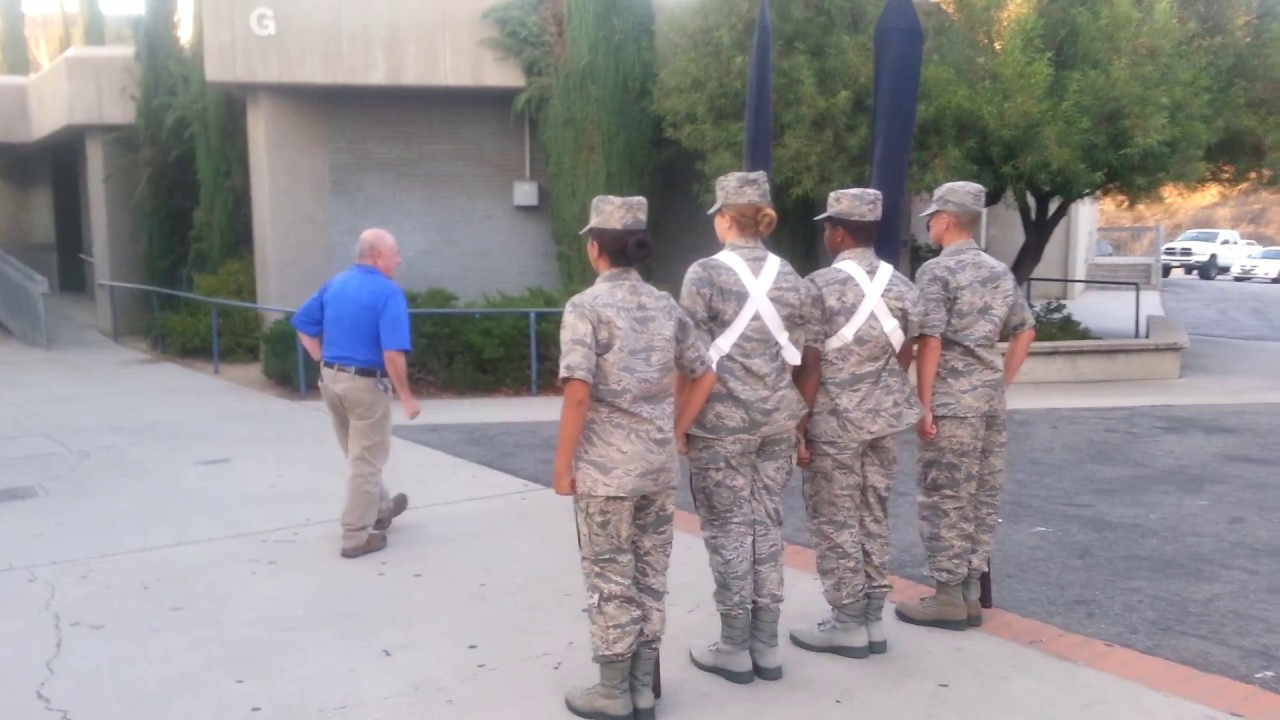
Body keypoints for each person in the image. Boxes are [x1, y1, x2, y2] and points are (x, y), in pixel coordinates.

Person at [553, 195, 717, 720]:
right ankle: (643, 688)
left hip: (606, 473)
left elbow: (578, 393)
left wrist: (562, 465)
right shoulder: (665, 305)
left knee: (610, 577)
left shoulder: (585, 308)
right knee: (649, 574)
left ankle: (613, 691)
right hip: (656, 467)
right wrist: (674, 430)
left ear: (595, 248)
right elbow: (704, 373)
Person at [679, 171, 816, 684]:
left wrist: (679, 424)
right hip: (777, 421)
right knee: (767, 527)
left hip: (720, 424)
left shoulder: (704, 275)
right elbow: (803, 357)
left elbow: (688, 360)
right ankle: (767, 645)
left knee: (729, 530)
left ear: (723, 218)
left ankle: (734, 646)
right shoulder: (792, 277)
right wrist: (798, 418)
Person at [896, 181, 1036, 630]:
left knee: (944, 497)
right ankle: (970, 591)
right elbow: (1025, 329)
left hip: (953, 403)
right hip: (989, 400)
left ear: (946, 219)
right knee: (980, 494)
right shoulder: (998, 271)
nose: (929, 226)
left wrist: (924, 403)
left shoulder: (936, 272)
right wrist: (1002, 381)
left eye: (932, 219)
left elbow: (930, 340)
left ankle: (947, 596)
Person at [789, 188, 921, 658]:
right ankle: (872, 619)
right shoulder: (903, 286)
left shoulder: (818, 286)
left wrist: (799, 421)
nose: (826, 234)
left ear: (840, 232)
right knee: (873, 512)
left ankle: (846, 620)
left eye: (828, 227)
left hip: (835, 421)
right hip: (884, 419)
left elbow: (809, 364)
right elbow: (906, 352)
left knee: (835, 518)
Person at [292, 228, 421, 560]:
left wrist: (322, 360)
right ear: (378, 256)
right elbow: (393, 354)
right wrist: (406, 396)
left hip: (331, 382)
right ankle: (355, 536)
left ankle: (380, 509)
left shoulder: (336, 283)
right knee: (365, 461)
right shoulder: (388, 293)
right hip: (366, 387)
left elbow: (303, 324)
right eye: (395, 253)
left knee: (359, 453)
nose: (399, 260)